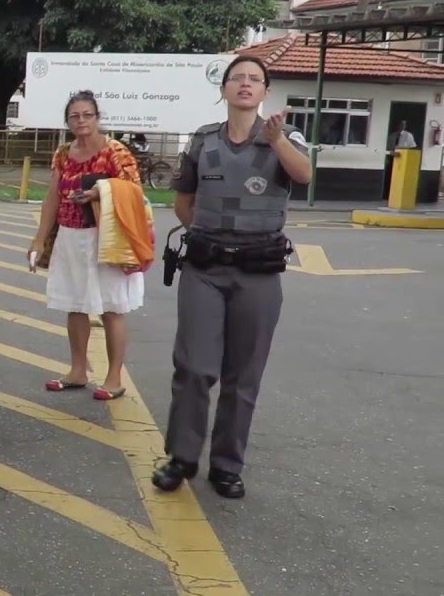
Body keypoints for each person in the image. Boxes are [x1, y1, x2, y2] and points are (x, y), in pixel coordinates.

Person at [151, 54, 312, 499]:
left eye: (254, 79)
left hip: (258, 273)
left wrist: (277, 141)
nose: (245, 84)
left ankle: (226, 465)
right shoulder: (203, 141)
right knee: (194, 368)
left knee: (243, 374)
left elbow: (304, 174)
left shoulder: (285, 135)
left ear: (264, 91)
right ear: (223, 90)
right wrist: (209, 235)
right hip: (205, 269)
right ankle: (181, 457)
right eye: (237, 78)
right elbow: (184, 201)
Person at [28, 91, 145, 401]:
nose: (80, 121)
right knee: (75, 305)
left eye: (86, 115)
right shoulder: (63, 154)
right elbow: (53, 196)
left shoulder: (115, 151)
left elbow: (134, 193)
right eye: (74, 116)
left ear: (97, 117)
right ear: (67, 121)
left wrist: (99, 192)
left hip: (106, 238)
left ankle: (113, 377)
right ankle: (77, 370)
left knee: (111, 307)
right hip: (70, 236)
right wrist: (40, 237)